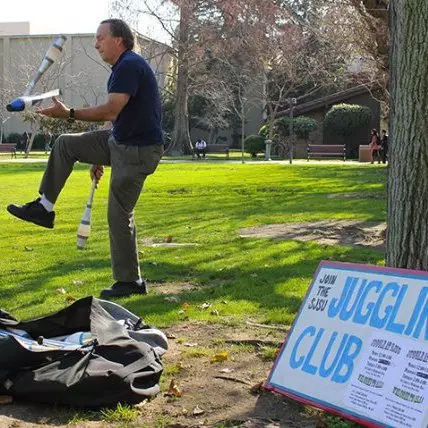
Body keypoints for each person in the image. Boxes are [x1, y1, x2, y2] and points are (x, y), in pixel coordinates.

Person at [7, 19, 164, 299]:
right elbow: (119, 118)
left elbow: (111, 110)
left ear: (119, 40)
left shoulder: (128, 65)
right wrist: (100, 155)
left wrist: (68, 114)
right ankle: (44, 208)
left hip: (138, 151)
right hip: (121, 142)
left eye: (100, 38)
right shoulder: (124, 67)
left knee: (118, 214)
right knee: (66, 144)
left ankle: (130, 282)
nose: (96, 44)